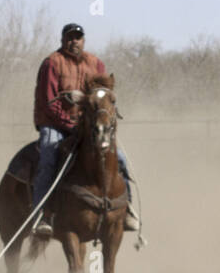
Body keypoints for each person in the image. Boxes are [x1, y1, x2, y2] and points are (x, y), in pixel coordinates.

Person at [31, 22, 139, 238]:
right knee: (49, 159)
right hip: (55, 124)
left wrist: (93, 118)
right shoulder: (52, 63)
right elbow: (48, 102)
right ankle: (42, 215)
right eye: (70, 37)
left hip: (88, 124)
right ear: (63, 40)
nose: (74, 41)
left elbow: (104, 95)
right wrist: (70, 125)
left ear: (83, 40)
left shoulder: (95, 63)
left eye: (78, 37)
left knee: (120, 159)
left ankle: (126, 210)